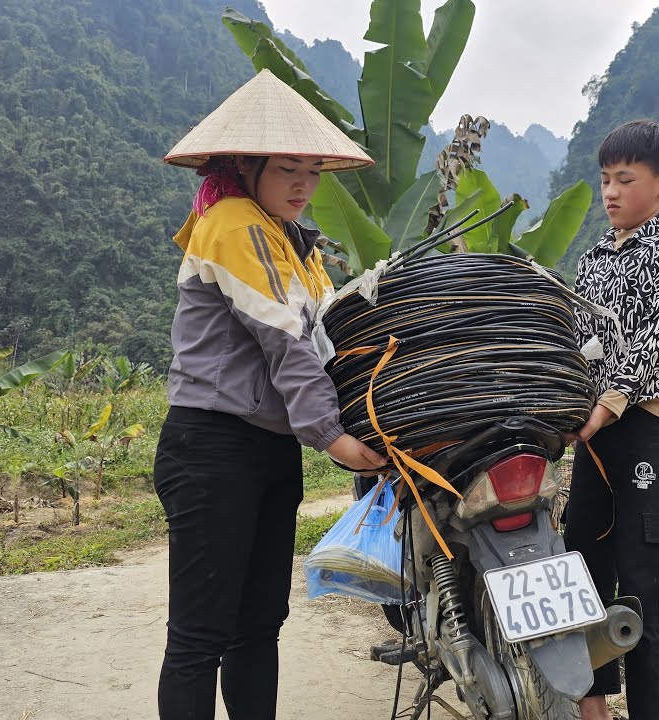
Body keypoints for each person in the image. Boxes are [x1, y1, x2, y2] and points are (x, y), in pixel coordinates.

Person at [154, 69, 386, 720]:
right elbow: (286, 341)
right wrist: (336, 438)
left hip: (269, 451)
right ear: (247, 165)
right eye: (288, 168)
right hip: (212, 447)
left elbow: (328, 340)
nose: (305, 186)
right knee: (201, 633)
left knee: (259, 625)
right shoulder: (231, 222)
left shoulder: (295, 243)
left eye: (313, 171)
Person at [563, 119, 659, 720]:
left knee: (645, 580)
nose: (611, 193)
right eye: (605, 181)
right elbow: (581, 346)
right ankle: (593, 706)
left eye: (626, 179)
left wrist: (609, 403)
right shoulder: (592, 262)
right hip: (595, 435)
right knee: (584, 561)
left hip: (647, 428)